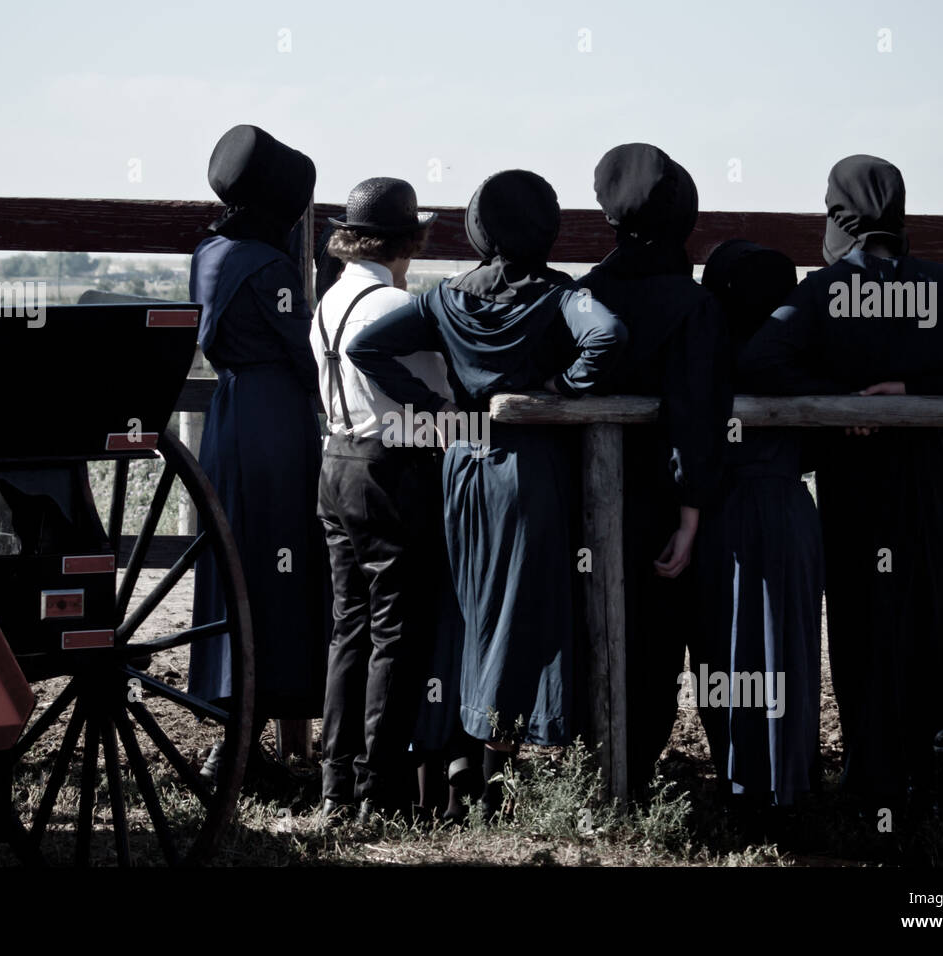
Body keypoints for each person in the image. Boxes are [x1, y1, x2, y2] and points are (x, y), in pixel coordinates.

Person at [738, 155, 943, 811]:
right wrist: (917, 392)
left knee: (860, 622)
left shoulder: (823, 290)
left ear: (837, 214)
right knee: (930, 617)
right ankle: (930, 766)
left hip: (857, 480)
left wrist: (844, 402)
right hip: (933, 480)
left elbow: (759, 360)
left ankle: (871, 774)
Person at [348, 169, 626, 820]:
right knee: (527, 614)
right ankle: (504, 768)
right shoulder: (562, 296)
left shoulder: (445, 297)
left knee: (468, 610)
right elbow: (607, 335)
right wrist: (563, 386)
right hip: (531, 472)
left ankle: (462, 762)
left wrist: (435, 404)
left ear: (478, 229)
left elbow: (366, 348)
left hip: (462, 465)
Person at [577, 144, 732, 796]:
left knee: (597, 636)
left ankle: (603, 776)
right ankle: (636, 773)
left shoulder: (583, 296)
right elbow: (698, 416)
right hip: (666, 507)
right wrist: (692, 516)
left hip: (589, 501)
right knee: (660, 643)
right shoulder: (694, 307)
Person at [187, 125, 331, 765]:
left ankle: (231, 711)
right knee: (285, 562)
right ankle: (270, 718)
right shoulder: (269, 265)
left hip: (228, 414)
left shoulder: (208, 255)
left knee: (235, 558)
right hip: (276, 421)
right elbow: (308, 354)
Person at [310, 177, 452, 822]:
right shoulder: (392, 307)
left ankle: (336, 783)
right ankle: (381, 789)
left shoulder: (332, 298)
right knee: (396, 633)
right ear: (409, 241)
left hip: (336, 462)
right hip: (389, 471)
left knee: (349, 629)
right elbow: (438, 394)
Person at [697, 239, 823, 814]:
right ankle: (790, 783)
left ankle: (738, 780)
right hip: (790, 505)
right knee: (788, 648)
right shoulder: (799, 354)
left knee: (724, 649)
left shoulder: (708, 353)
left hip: (720, 511)